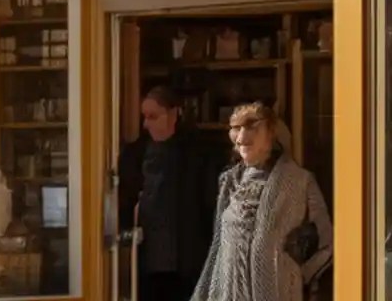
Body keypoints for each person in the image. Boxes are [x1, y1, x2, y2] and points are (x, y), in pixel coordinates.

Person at [190, 102, 332, 301]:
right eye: (236, 130)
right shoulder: (229, 182)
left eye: (251, 128)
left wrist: (297, 274)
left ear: (271, 133)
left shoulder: (300, 181)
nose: (241, 138)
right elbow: (217, 249)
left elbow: (327, 243)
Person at [118, 87, 221, 301]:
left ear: (174, 115)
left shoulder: (199, 153)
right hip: (145, 262)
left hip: (187, 262)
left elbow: (210, 206)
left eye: (153, 117)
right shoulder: (135, 153)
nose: (146, 124)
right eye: (144, 117)